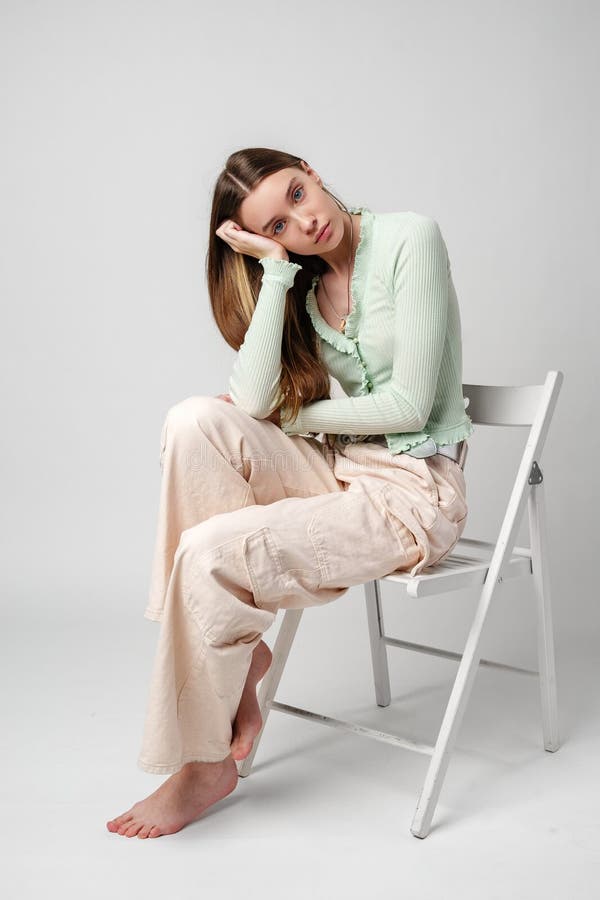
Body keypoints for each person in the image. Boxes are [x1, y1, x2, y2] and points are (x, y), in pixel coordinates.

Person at [106, 147, 474, 839]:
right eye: (278, 226)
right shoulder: (300, 282)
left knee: (210, 548)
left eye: (298, 194)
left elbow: (407, 404)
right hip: (341, 470)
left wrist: (297, 418)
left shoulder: (410, 237)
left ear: (312, 169)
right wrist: (274, 275)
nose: (305, 223)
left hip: (414, 490)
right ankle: (237, 659)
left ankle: (204, 757)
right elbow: (248, 399)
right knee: (194, 422)